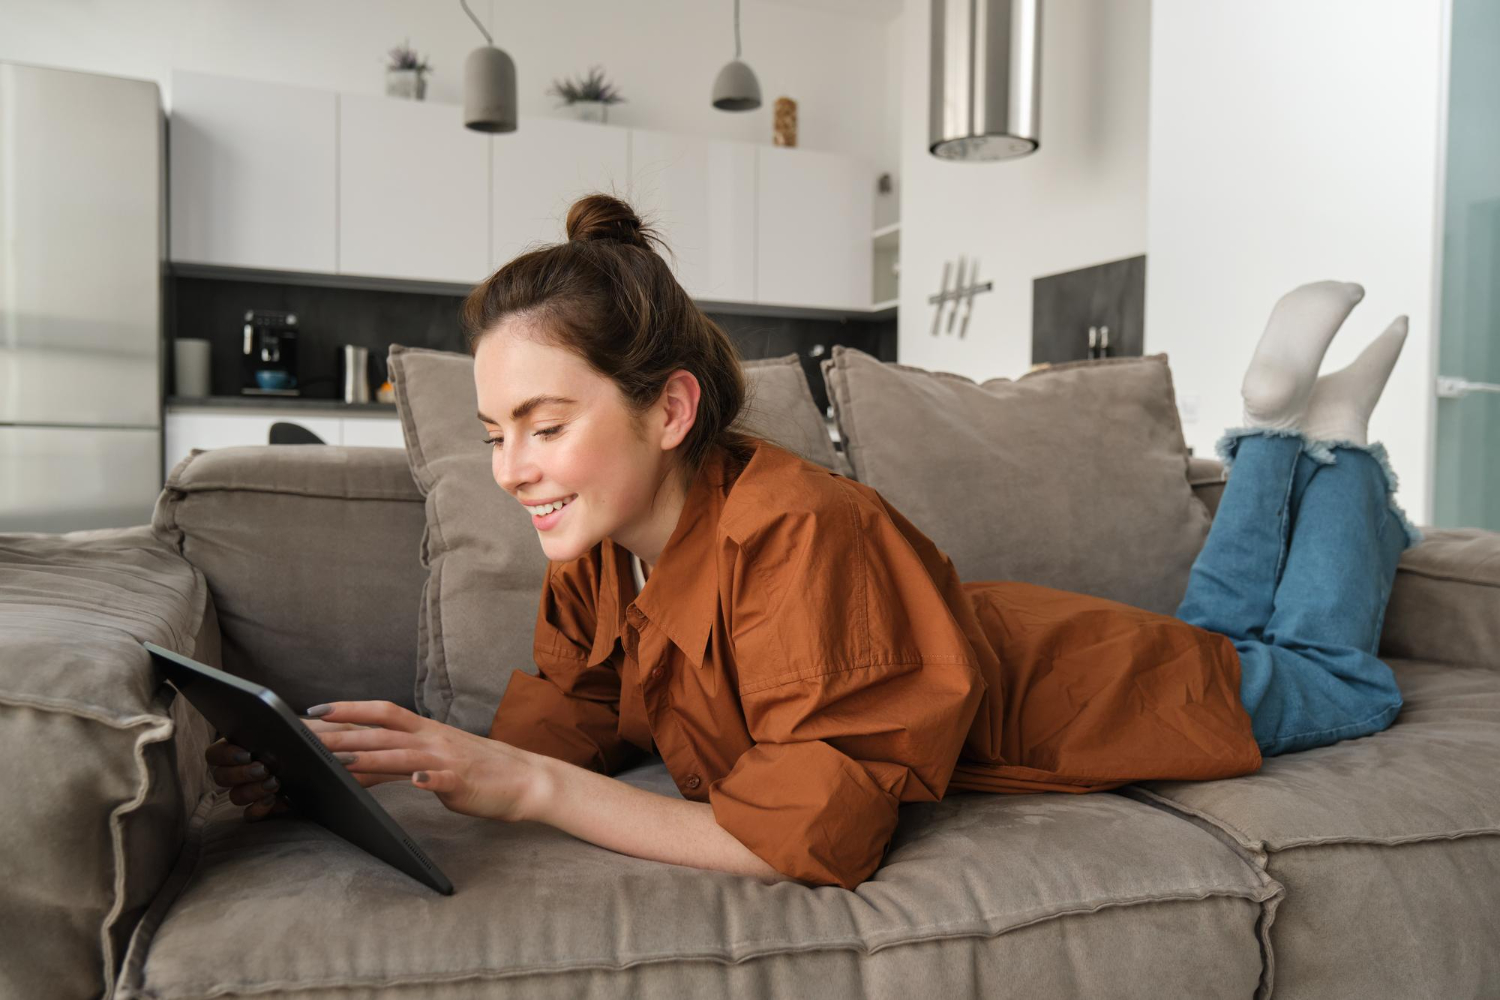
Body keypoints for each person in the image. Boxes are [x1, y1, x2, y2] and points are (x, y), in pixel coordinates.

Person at [205, 194, 1419, 892]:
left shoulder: (801, 536)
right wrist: (354, 764)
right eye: (495, 432)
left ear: (668, 411)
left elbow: (805, 839)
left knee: (1329, 679)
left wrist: (527, 786)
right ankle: (1272, 429)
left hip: (1096, 686)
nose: (510, 467)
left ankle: (1335, 441)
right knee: (1223, 632)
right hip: (1034, 634)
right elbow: (550, 740)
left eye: (545, 424)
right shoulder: (597, 560)